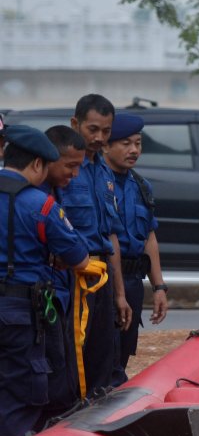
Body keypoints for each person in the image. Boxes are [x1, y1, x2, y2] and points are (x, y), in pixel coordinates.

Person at [0, 126, 89, 436]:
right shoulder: (40, 204)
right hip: (20, 312)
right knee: (22, 392)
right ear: (38, 164)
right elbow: (79, 257)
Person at [66, 94, 132, 397]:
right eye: (92, 129)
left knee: (105, 360)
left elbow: (112, 237)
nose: (99, 138)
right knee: (73, 360)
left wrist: (120, 294)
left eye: (106, 131)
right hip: (73, 276)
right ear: (75, 123)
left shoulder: (104, 172)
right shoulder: (63, 168)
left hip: (103, 275)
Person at [106, 113, 169, 385]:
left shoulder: (141, 185)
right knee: (102, 358)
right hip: (105, 282)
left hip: (133, 281)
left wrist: (159, 287)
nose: (134, 150)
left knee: (122, 355)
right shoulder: (96, 183)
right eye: (125, 143)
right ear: (106, 145)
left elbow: (149, 237)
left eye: (138, 143)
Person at [40, 126, 86, 424]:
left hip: (62, 291)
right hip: (41, 298)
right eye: (70, 166)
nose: (74, 175)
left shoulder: (55, 191)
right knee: (48, 375)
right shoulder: (36, 199)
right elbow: (76, 252)